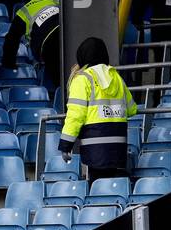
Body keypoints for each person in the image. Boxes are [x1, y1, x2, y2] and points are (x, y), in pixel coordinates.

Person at [58, 37, 137, 180]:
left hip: (95, 148)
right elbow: (132, 109)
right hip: (118, 147)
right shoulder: (116, 77)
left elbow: (75, 116)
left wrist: (65, 144)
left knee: (97, 191)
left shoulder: (82, 79)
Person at [0, 0, 61, 92]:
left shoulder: (23, 11)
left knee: (58, 78)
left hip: (46, 43)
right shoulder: (52, 0)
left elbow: (11, 40)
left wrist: (8, 63)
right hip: (64, 34)